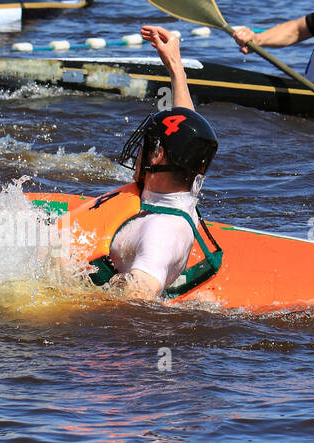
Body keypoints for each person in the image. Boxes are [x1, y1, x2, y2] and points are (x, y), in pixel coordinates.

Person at [61, 25, 221, 300]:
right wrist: (174, 65)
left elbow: (138, 299)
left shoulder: (163, 230)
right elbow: (188, 129)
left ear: (157, 155)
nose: (139, 154)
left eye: (147, 147)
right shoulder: (182, 186)